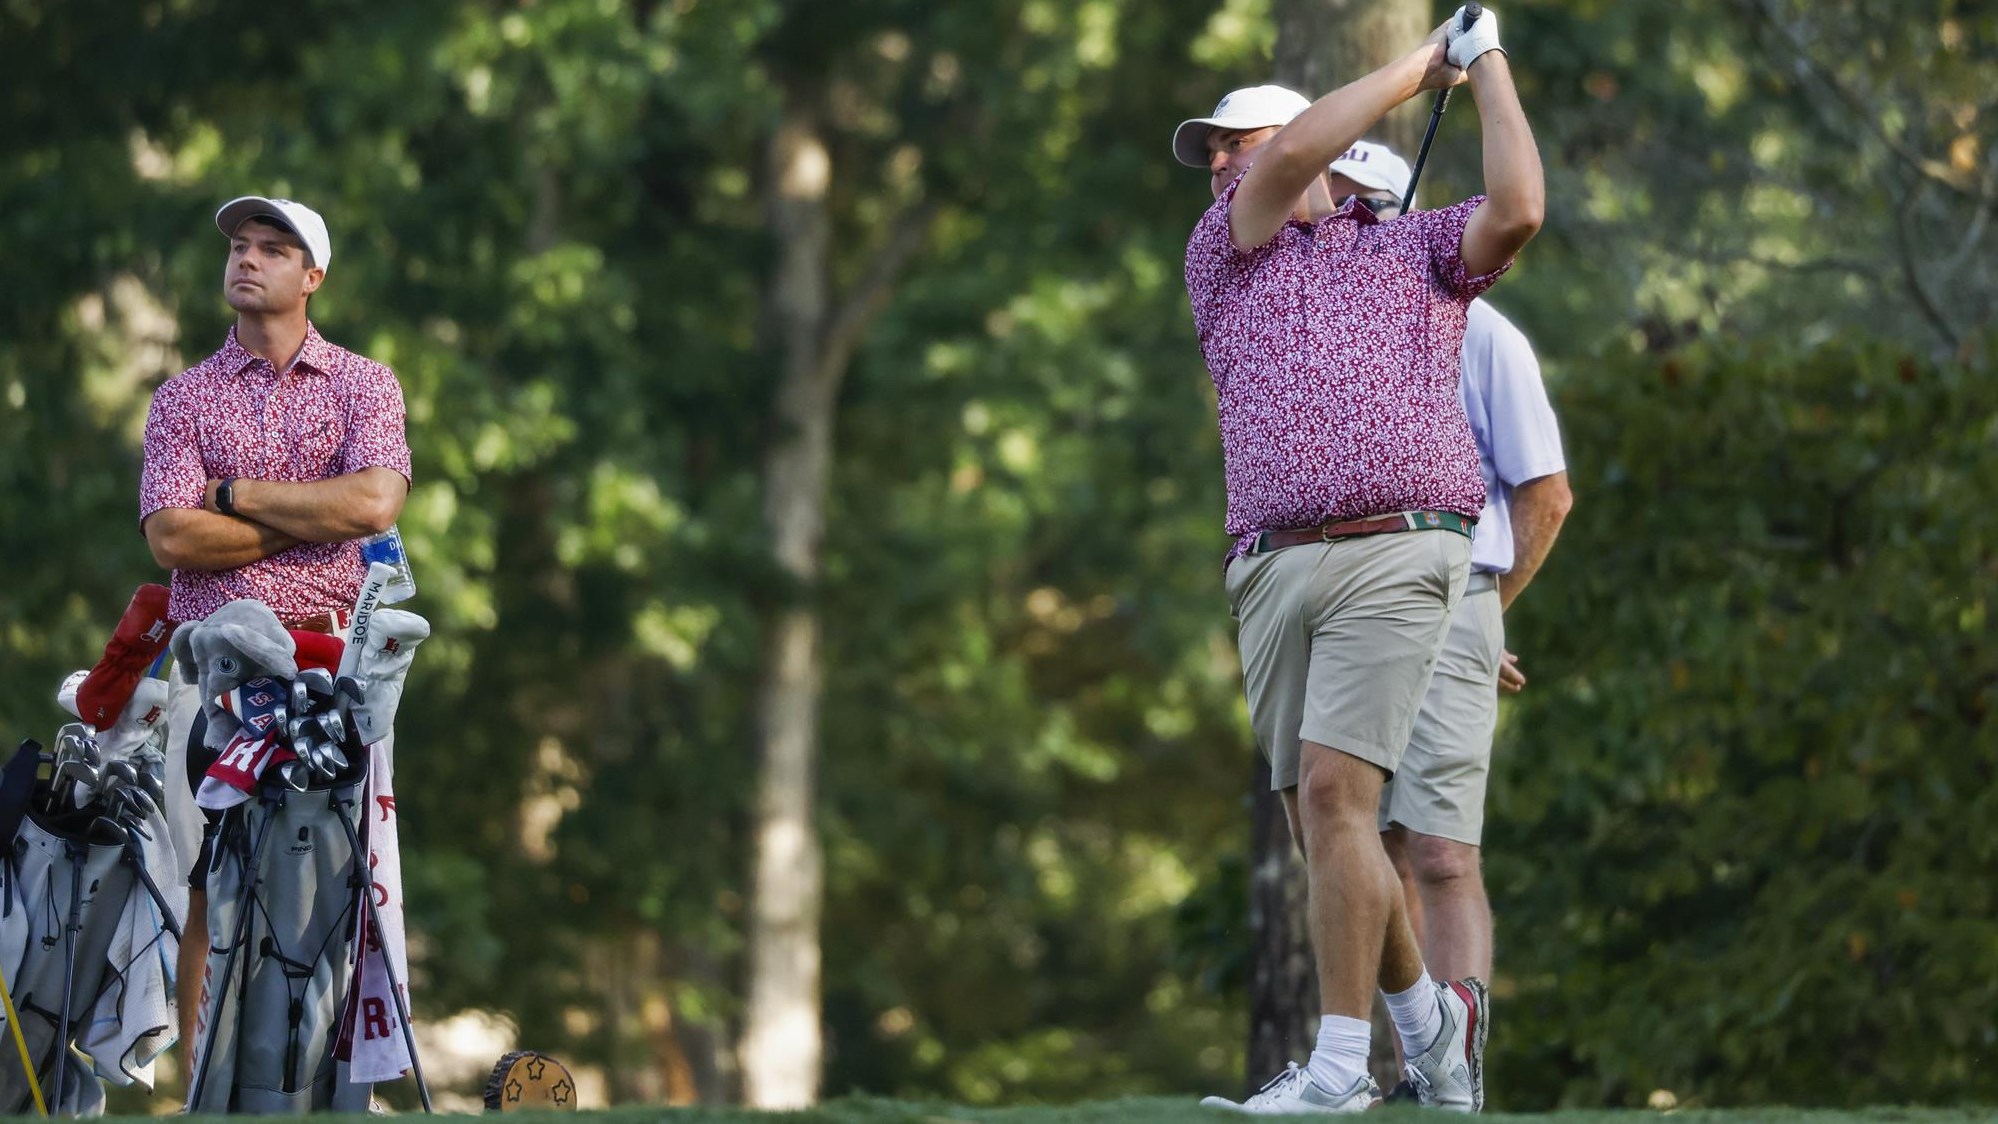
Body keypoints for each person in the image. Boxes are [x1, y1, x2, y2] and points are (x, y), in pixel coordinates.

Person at [1174, 6, 1543, 1115]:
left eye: (1234, 145)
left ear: (1335, 156)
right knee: (1321, 825)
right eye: (1216, 153)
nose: (1221, 166)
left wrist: (1484, 64)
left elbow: (1520, 208)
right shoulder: (1225, 256)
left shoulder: (1415, 250)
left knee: (1341, 796)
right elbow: (1291, 154)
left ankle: (1341, 1065)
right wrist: (1418, 67)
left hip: (1403, 547)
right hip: (1271, 564)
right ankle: (1432, 1024)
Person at [1318, 141, 1573, 1093]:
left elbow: (1546, 495)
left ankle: (1455, 1073)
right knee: (1365, 840)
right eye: (1334, 206)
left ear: (1403, 214)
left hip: (1458, 596)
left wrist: (1485, 615)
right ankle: (1403, 1067)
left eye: (1362, 206)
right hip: (1357, 598)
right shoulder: (1326, 333)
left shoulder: (1485, 332)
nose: (1345, 225)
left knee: (1439, 852)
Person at [138, 195, 411, 1066]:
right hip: (211, 666)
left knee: (344, 876)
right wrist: (317, 516)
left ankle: (333, 1085)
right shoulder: (182, 398)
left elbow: (376, 503)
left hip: (334, 668)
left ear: (313, 276)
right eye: (241, 247)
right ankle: (200, 1092)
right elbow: (172, 537)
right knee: (202, 874)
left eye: (273, 248)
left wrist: (235, 496)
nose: (247, 259)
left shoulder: (366, 384)